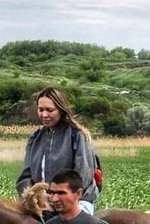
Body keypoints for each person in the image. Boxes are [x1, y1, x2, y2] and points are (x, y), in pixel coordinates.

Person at [16, 87, 99, 215]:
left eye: (50, 110)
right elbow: (25, 176)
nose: (44, 115)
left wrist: (56, 198)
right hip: (42, 204)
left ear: (61, 110)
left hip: (76, 202)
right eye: (41, 110)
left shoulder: (77, 136)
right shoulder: (35, 138)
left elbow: (83, 176)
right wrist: (35, 197)